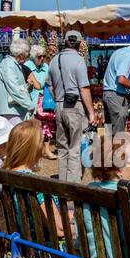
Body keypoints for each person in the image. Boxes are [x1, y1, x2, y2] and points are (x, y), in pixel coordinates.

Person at [48, 30, 98, 183]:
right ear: (80, 44)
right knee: (75, 148)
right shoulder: (79, 61)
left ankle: (63, 184)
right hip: (74, 107)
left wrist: (59, 102)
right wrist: (91, 113)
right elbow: (84, 88)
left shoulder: (53, 60)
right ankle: (73, 186)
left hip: (59, 106)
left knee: (62, 148)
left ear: (64, 42)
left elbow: (50, 87)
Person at [0, 37, 35, 124]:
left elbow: (16, 86)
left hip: (17, 110)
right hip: (12, 111)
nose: (28, 58)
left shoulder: (14, 65)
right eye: (27, 56)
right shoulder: (8, 64)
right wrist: (29, 105)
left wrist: (28, 86)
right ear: (21, 55)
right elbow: (14, 88)